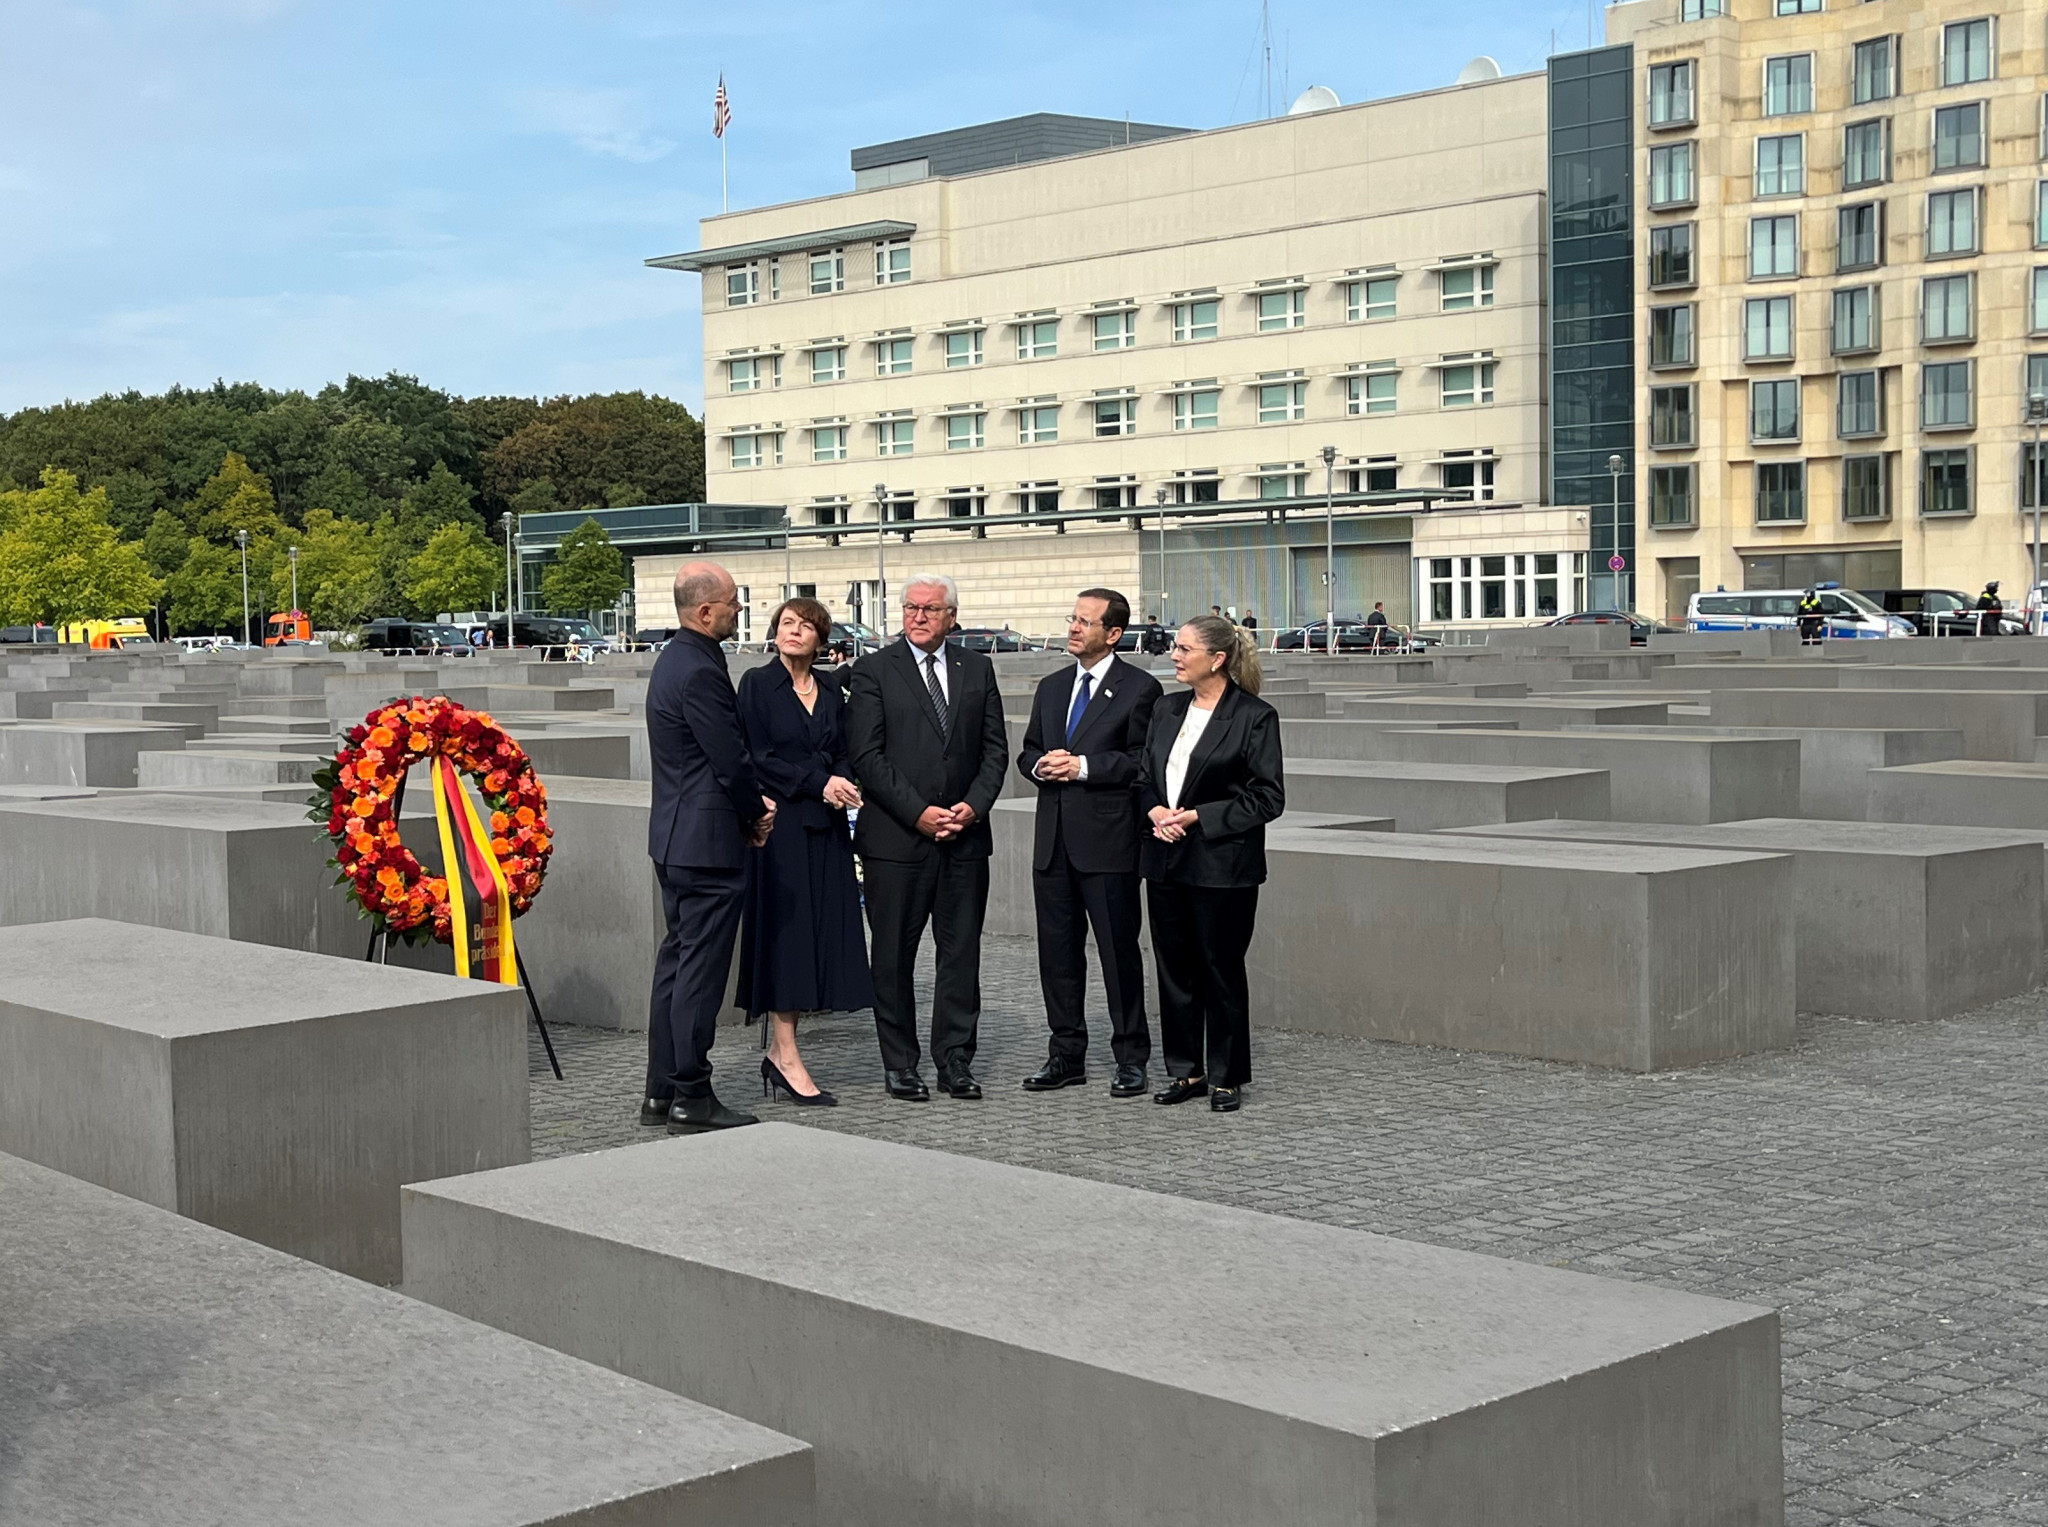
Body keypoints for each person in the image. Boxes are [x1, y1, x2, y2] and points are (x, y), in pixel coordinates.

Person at [845, 574, 1009, 1101]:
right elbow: (867, 756)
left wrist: (974, 806)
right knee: (893, 955)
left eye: (931, 609)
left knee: (960, 955)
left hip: (964, 838)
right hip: (897, 841)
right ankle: (900, 1064)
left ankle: (955, 1061)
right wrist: (918, 813)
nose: (918, 616)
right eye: (911, 608)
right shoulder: (873, 670)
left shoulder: (978, 669)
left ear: (951, 617)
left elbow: (994, 751)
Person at [642, 562, 777, 1135]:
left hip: (676, 837)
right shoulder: (698, 667)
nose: (738, 609)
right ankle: (692, 1096)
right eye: (731, 601)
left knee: (676, 964)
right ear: (704, 611)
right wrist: (756, 812)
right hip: (707, 843)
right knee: (697, 971)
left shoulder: (674, 659)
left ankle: (662, 1090)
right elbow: (729, 758)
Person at [1017, 588, 1163, 1098]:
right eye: (1072, 619)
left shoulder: (1140, 689)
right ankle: (1067, 1054)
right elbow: (1030, 750)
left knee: (1118, 954)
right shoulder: (1053, 687)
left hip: (1108, 845)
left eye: (1085, 621)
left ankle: (1131, 1057)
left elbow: (1143, 761)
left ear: (1114, 633)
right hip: (1053, 845)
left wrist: (1082, 767)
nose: (1073, 628)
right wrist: (1039, 765)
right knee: (1057, 955)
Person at [1139, 614, 1284, 1114]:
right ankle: (1187, 1070)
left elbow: (1267, 798)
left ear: (1217, 659)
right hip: (1164, 858)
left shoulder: (1254, 716)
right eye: (1175, 647)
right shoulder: (1166, 709)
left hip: (1222, 865)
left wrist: (1199, 816)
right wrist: (1156, 811)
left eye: (1184, 649)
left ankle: (1226, 1075)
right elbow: (1144, 779)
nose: (1174, 656)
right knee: (1174, 969)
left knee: (1220, 968)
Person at [735, 597, 874, 1107]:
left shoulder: (833, 688)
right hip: (781, 825)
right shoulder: (757, 684)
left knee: (821, 933)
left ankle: (780, 1051)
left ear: (820, 639)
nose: (793, 632)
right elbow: (758, 757)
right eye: (786, 624)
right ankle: (787, 1055)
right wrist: (821, 782)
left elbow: (843, 749)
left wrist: (843, 780)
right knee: (787, 937)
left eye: (805, 626)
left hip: (828, 824)